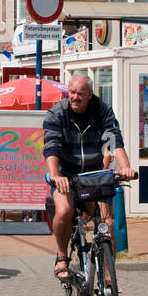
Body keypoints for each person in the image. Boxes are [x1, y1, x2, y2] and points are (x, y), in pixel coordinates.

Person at [43, 74, 137, 285]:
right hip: (66, 174)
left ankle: (109, 281)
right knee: (65, 210)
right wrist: (56, 175)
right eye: (72, 93)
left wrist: (126, 167)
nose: (75, 97)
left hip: (94, 174)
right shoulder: (57, 113)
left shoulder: (102, 110)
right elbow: (51, 148)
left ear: (90, 95)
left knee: (107, 223)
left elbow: (114, 140)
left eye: (80, 94)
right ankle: (62, 256)